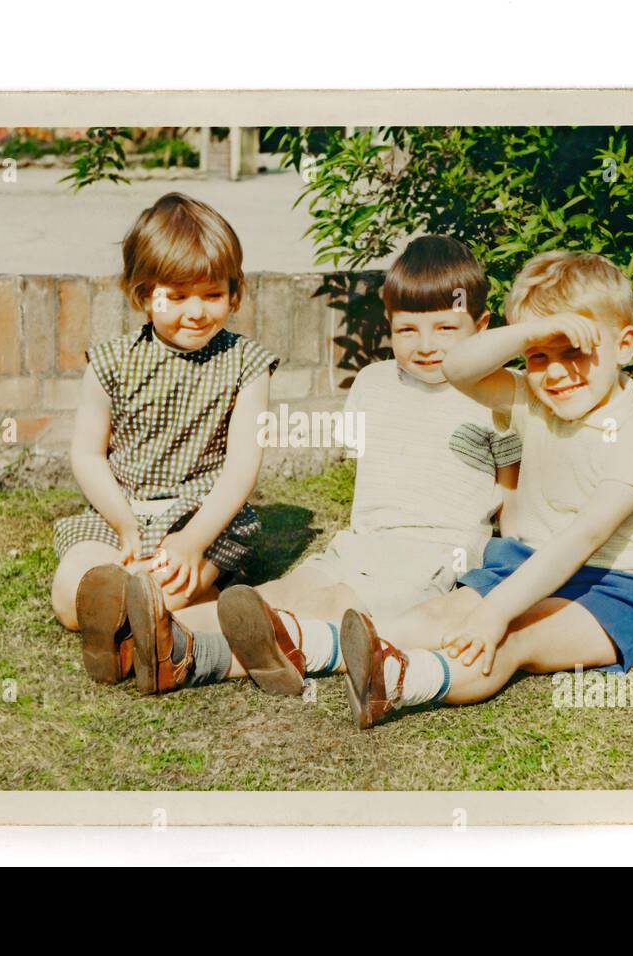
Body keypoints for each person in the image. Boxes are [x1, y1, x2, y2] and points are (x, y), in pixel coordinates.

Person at [126, 236, 522, 696]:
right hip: (360, 544)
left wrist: (511, 572)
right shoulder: (374, 383)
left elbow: (509, 496)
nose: (426, 345)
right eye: (407, 330)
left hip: (431, 554)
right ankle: (149, 634)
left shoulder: (495, 397)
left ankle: (190, 654)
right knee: (277, 594)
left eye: (446, 329)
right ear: (389, 325)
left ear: (482, 326)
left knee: (330, 604)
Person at [338, 250, 633, 729]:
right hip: (523, 564)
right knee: (445, 611)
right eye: (540, 355)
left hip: (609, 591)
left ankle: (398, 680)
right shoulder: (530, 397)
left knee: (507, 638)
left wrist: (495, 613)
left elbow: (580, 540)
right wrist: (526, 334)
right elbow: (456, 367)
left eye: (575, 352)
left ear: (625, 345)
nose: (557, 373)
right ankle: (330, 647)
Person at [48, 192, 277, 693]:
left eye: (212, 295)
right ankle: (122, 618)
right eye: (176, 297)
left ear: (234, 293)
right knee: (72, 589)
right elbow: (87, 453)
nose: (196, 312)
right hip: (119, 512)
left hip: (200, 517)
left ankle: (140, 631)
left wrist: (193, 543)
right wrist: (124, 525)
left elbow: (241, 465)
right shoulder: (109, 361)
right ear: (143, 294)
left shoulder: (248, 365)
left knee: (176, 584)